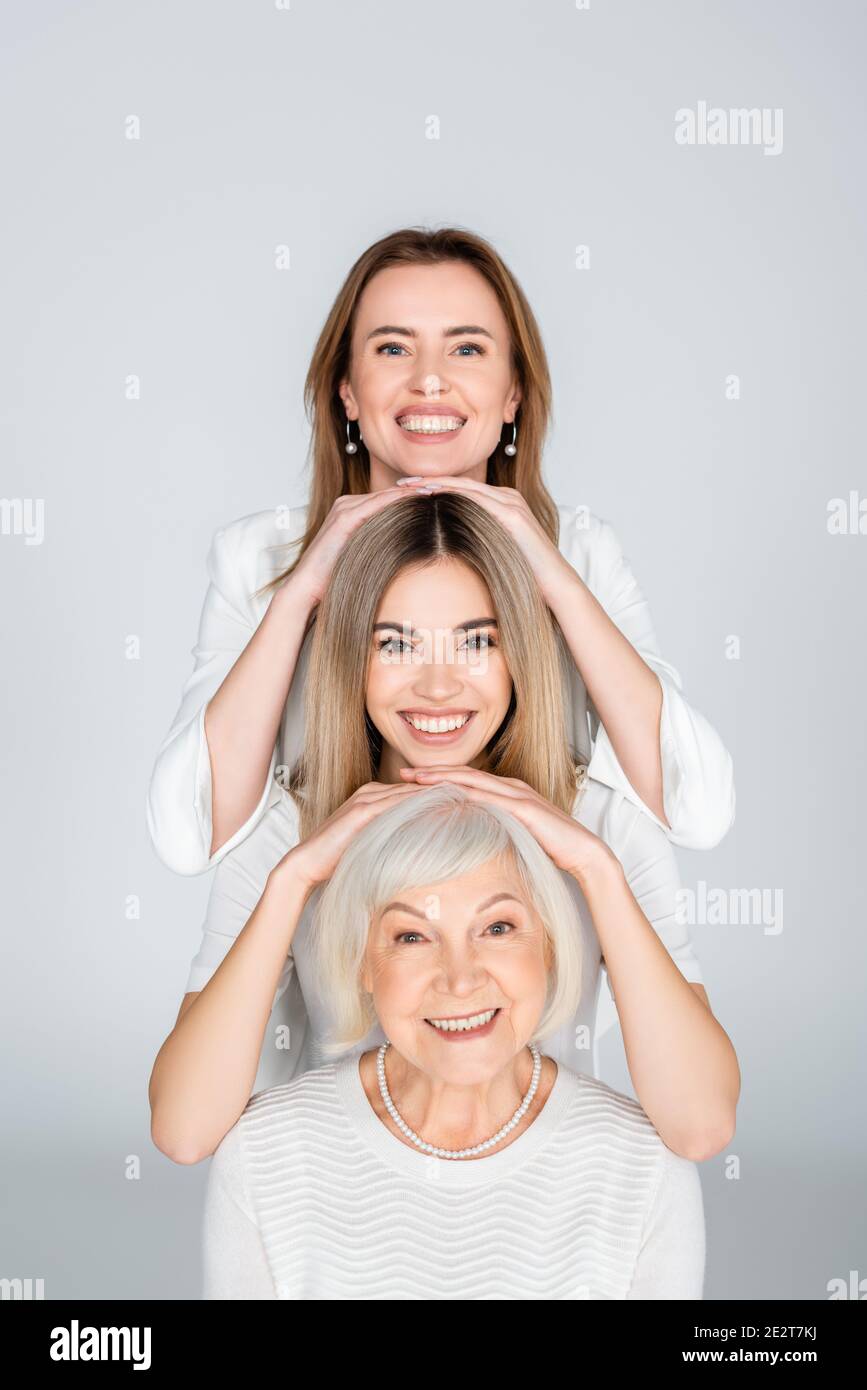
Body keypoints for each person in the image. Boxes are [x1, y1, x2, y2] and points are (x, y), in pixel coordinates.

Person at [149, 492, 740, 1167]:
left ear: (520, 651)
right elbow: (184, 1131)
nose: (436, 686)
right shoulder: (289, 829)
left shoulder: (603, 820)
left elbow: (699, 1126)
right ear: (352, 658)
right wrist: (293, 881)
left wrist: (595, 871)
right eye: (395, 644)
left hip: (548, 1194)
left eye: (476, 641)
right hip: (341, 1197)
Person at [146, 226, 735, 877]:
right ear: (346, 389)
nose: (429, 380)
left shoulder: (581, 552)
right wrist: (302, 590)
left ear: (513, 393)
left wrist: (553, 580)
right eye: (393, 347)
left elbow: (698, 811)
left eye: (466, 348)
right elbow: (187, 837)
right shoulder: (258, 556)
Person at [201, 782, 707, 1300]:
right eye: (412, 937)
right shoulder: (262, 1155)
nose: (460, 980)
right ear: (364, 965)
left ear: (548, 949)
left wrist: (599, 866)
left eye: (497, 928)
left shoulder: (643, 1167)